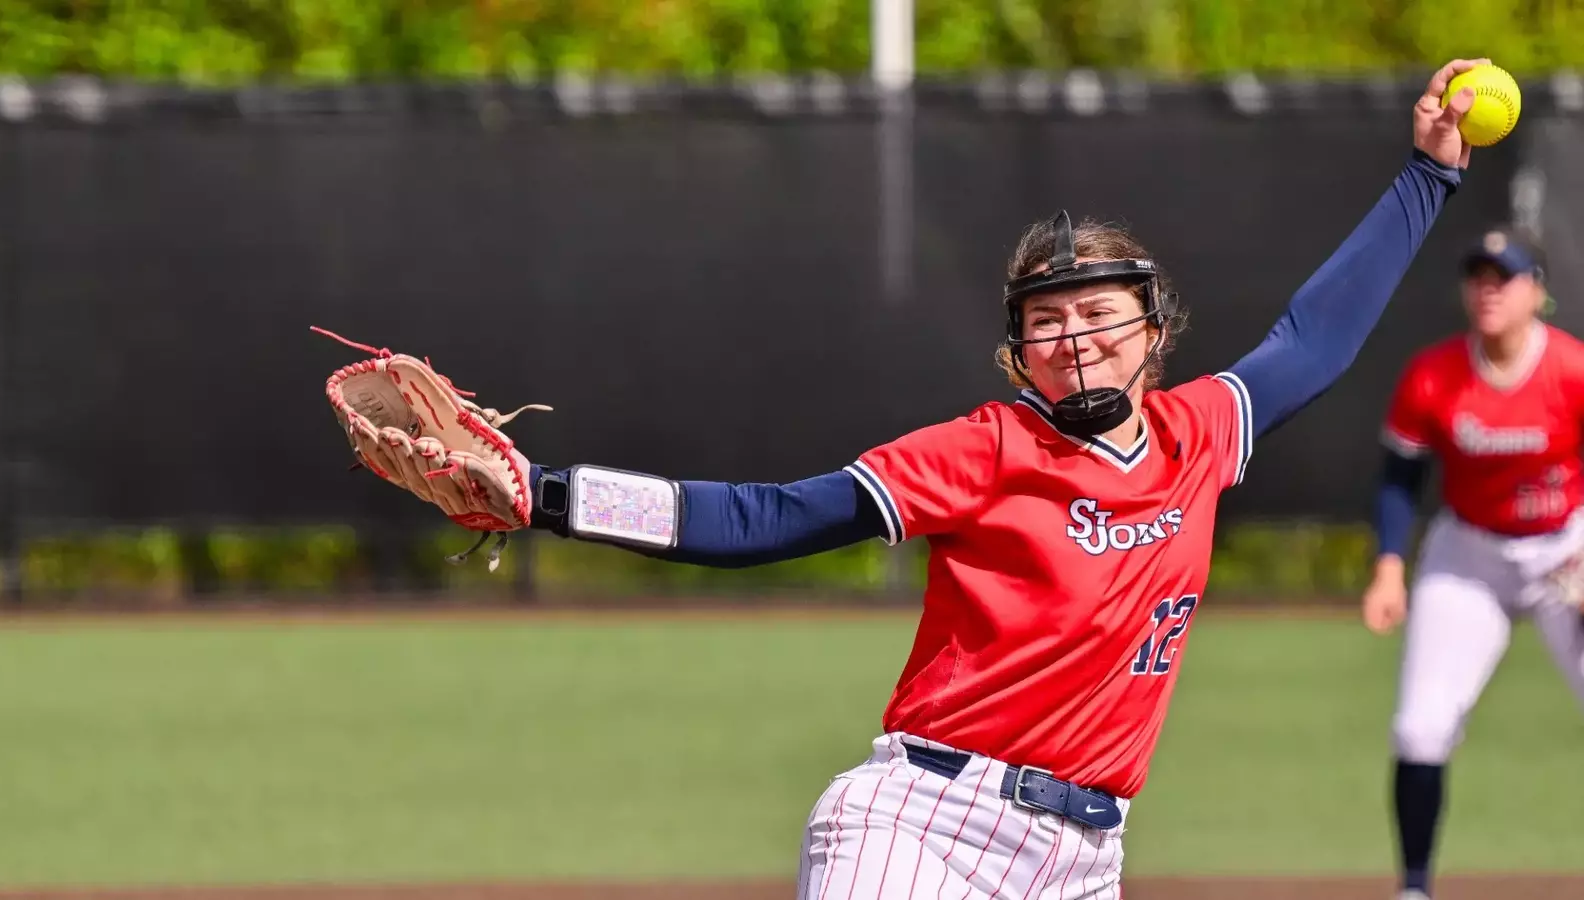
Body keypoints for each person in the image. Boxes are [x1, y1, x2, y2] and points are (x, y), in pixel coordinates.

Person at [521, 59, 1483, 900]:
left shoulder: (1201, 433)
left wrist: (1429, 174)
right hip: (925, 829)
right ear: (1018, 351)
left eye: (1099, 311)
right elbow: (765, 519)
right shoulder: (985, 449)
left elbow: (1317, 338)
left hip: (1083, 860)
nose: (1074, 338)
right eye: (1045, 321)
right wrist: (549, 495)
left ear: (1154, 330)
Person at [1360, 222, 1584, 900]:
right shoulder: (1435, 374)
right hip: (1470, 554)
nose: (1488, 290)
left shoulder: (1571, 370)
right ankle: (1416, 888)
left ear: (1536, 292)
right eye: (1478, 278)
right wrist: (1390, 566)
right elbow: (1400, 478)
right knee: (1420, 727)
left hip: (1566, 552)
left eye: (1504, 277)